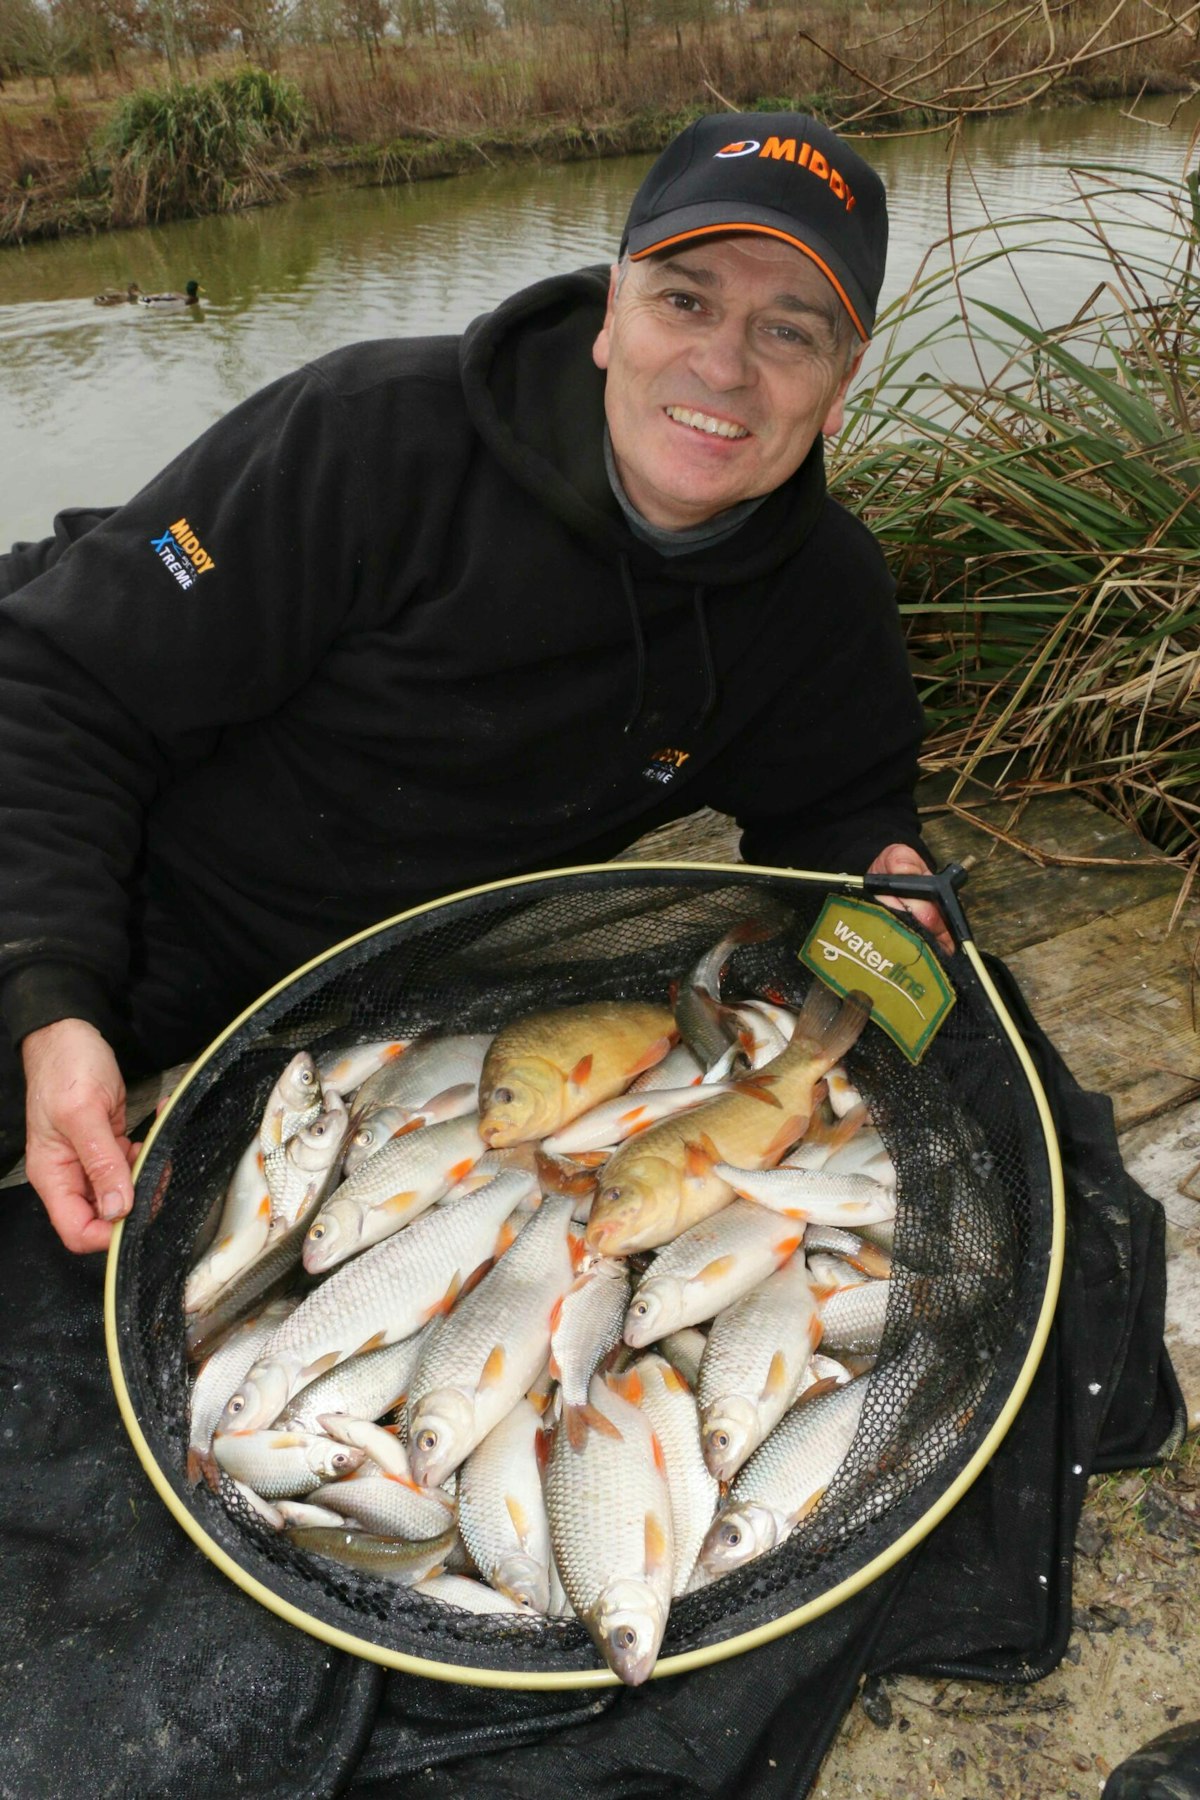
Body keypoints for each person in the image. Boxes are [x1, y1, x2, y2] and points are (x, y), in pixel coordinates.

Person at [0, 110, 947, 1258]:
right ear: (612, 314)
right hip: (101, 870)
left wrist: (879, 865)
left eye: (790, 332)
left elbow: (836, 805)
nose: (723, 365)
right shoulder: (366, 440)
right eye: (685, 299)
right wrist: (50, 1000)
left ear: (841, 387)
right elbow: (57, 684)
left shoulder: (821, 594)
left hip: (368, 1004)